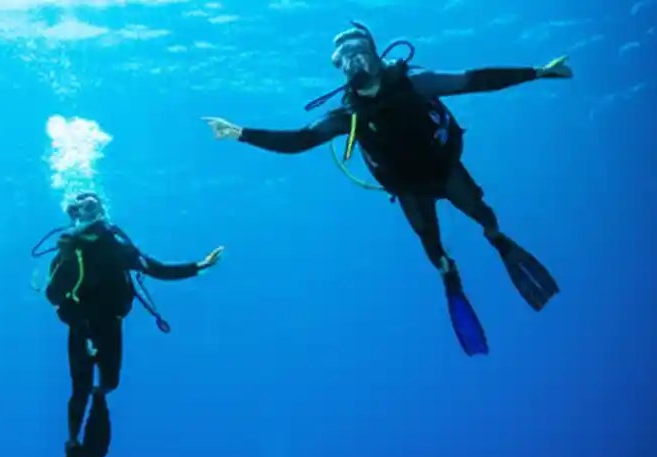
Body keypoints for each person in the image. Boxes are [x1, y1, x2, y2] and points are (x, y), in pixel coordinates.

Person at [201, 23, 571, 356]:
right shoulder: (349, 115)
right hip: (410, 186)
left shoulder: (415, 82)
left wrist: (538, 72)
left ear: (377, 55)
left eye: (359, 52)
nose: (352, 62)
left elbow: (473, 80)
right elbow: (300, 140)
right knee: (433, 246)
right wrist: (239, 133)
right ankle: (448, 272)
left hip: (443, 169)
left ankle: (497, 239)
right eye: (343, 59)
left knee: (484, 216)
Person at [34, 192, 222, 457]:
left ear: (103, 209)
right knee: (79, 389)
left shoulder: (117, 246)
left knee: (109, 383)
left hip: (110, 325)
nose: (89, 209)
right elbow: (53, 295)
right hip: (81, 326)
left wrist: (199, 266)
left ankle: (96, 407)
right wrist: (66, 258)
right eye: (82, 205)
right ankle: (73, 446)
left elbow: (156, 268)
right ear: (74, 213)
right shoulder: (68, 248)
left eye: (93, 203)